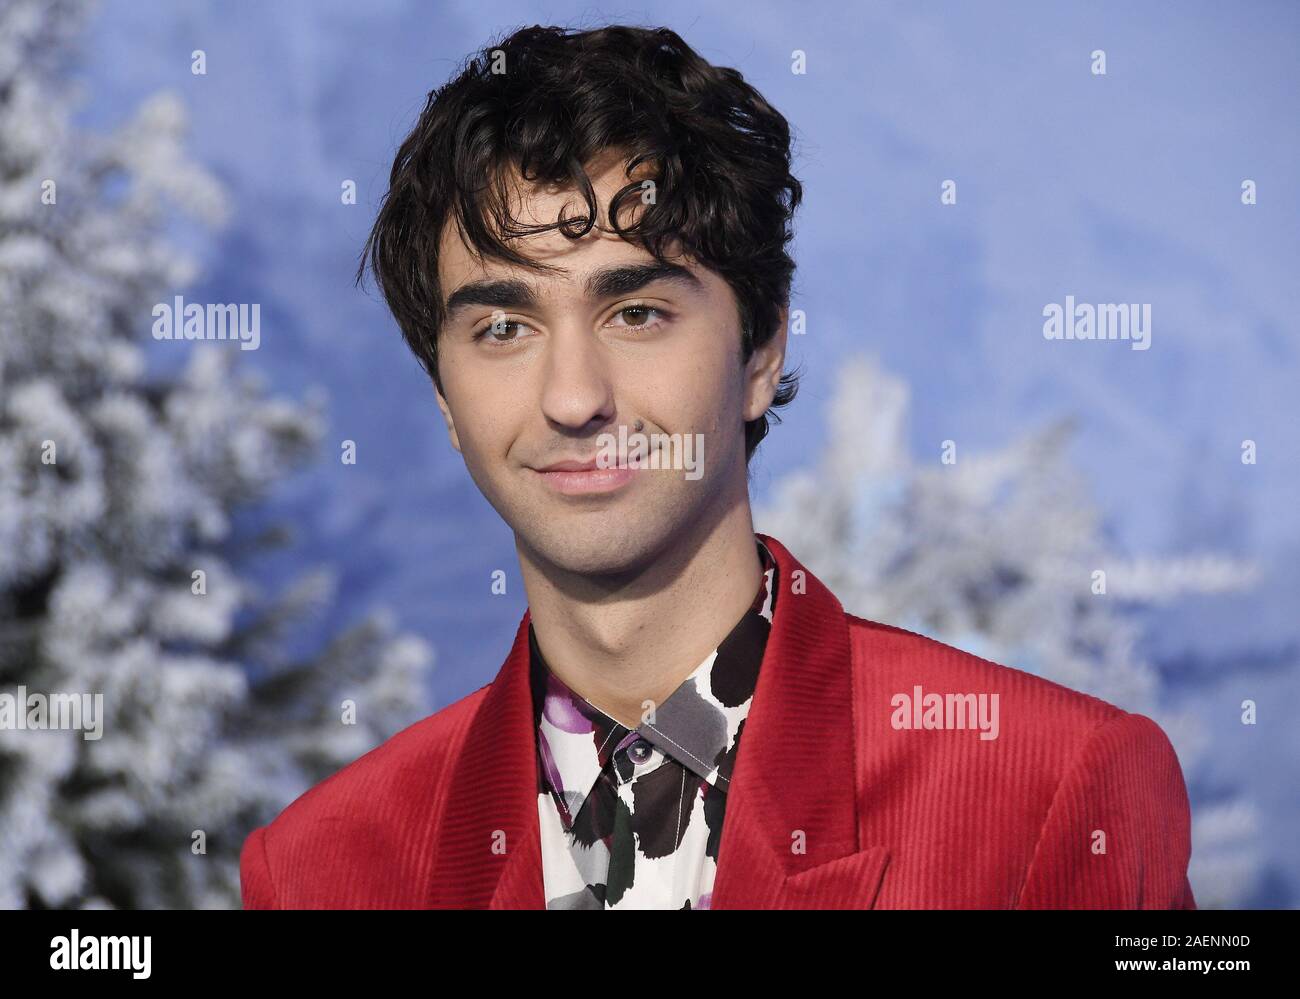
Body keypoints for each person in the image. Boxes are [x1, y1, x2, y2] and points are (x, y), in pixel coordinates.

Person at [239, 24, 1195, 910]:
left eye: (638, 311)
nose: (574, 397)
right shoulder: (322, 868)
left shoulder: (1053, 791)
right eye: (503, 326)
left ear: (761, 352)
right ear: (445, 398)